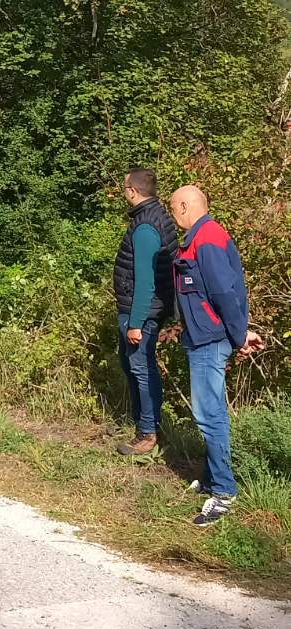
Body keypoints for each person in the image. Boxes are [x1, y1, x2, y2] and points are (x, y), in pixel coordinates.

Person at [167, 185, 263, 526]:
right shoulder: (198, 237)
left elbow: (225, 292)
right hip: (201, 336)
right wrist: (241, 332)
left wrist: (238, 335)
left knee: (209, 414)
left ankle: (223, 492)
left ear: (183, 205)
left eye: (173, 207)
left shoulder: (206, 237)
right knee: (208, 410)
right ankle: (210, 478)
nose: (172, 213)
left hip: (210, 338)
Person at [113, 168, 178, 458]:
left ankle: (147, 433)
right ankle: (144, 424)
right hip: (147, 308)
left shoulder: (145, 228)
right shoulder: (157, 215)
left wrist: (136, 322)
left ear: (132, 192)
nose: (123, 191)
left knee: (141, 369)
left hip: (141, 311)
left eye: (124, 186)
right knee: (136, 366)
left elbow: (145, 281)